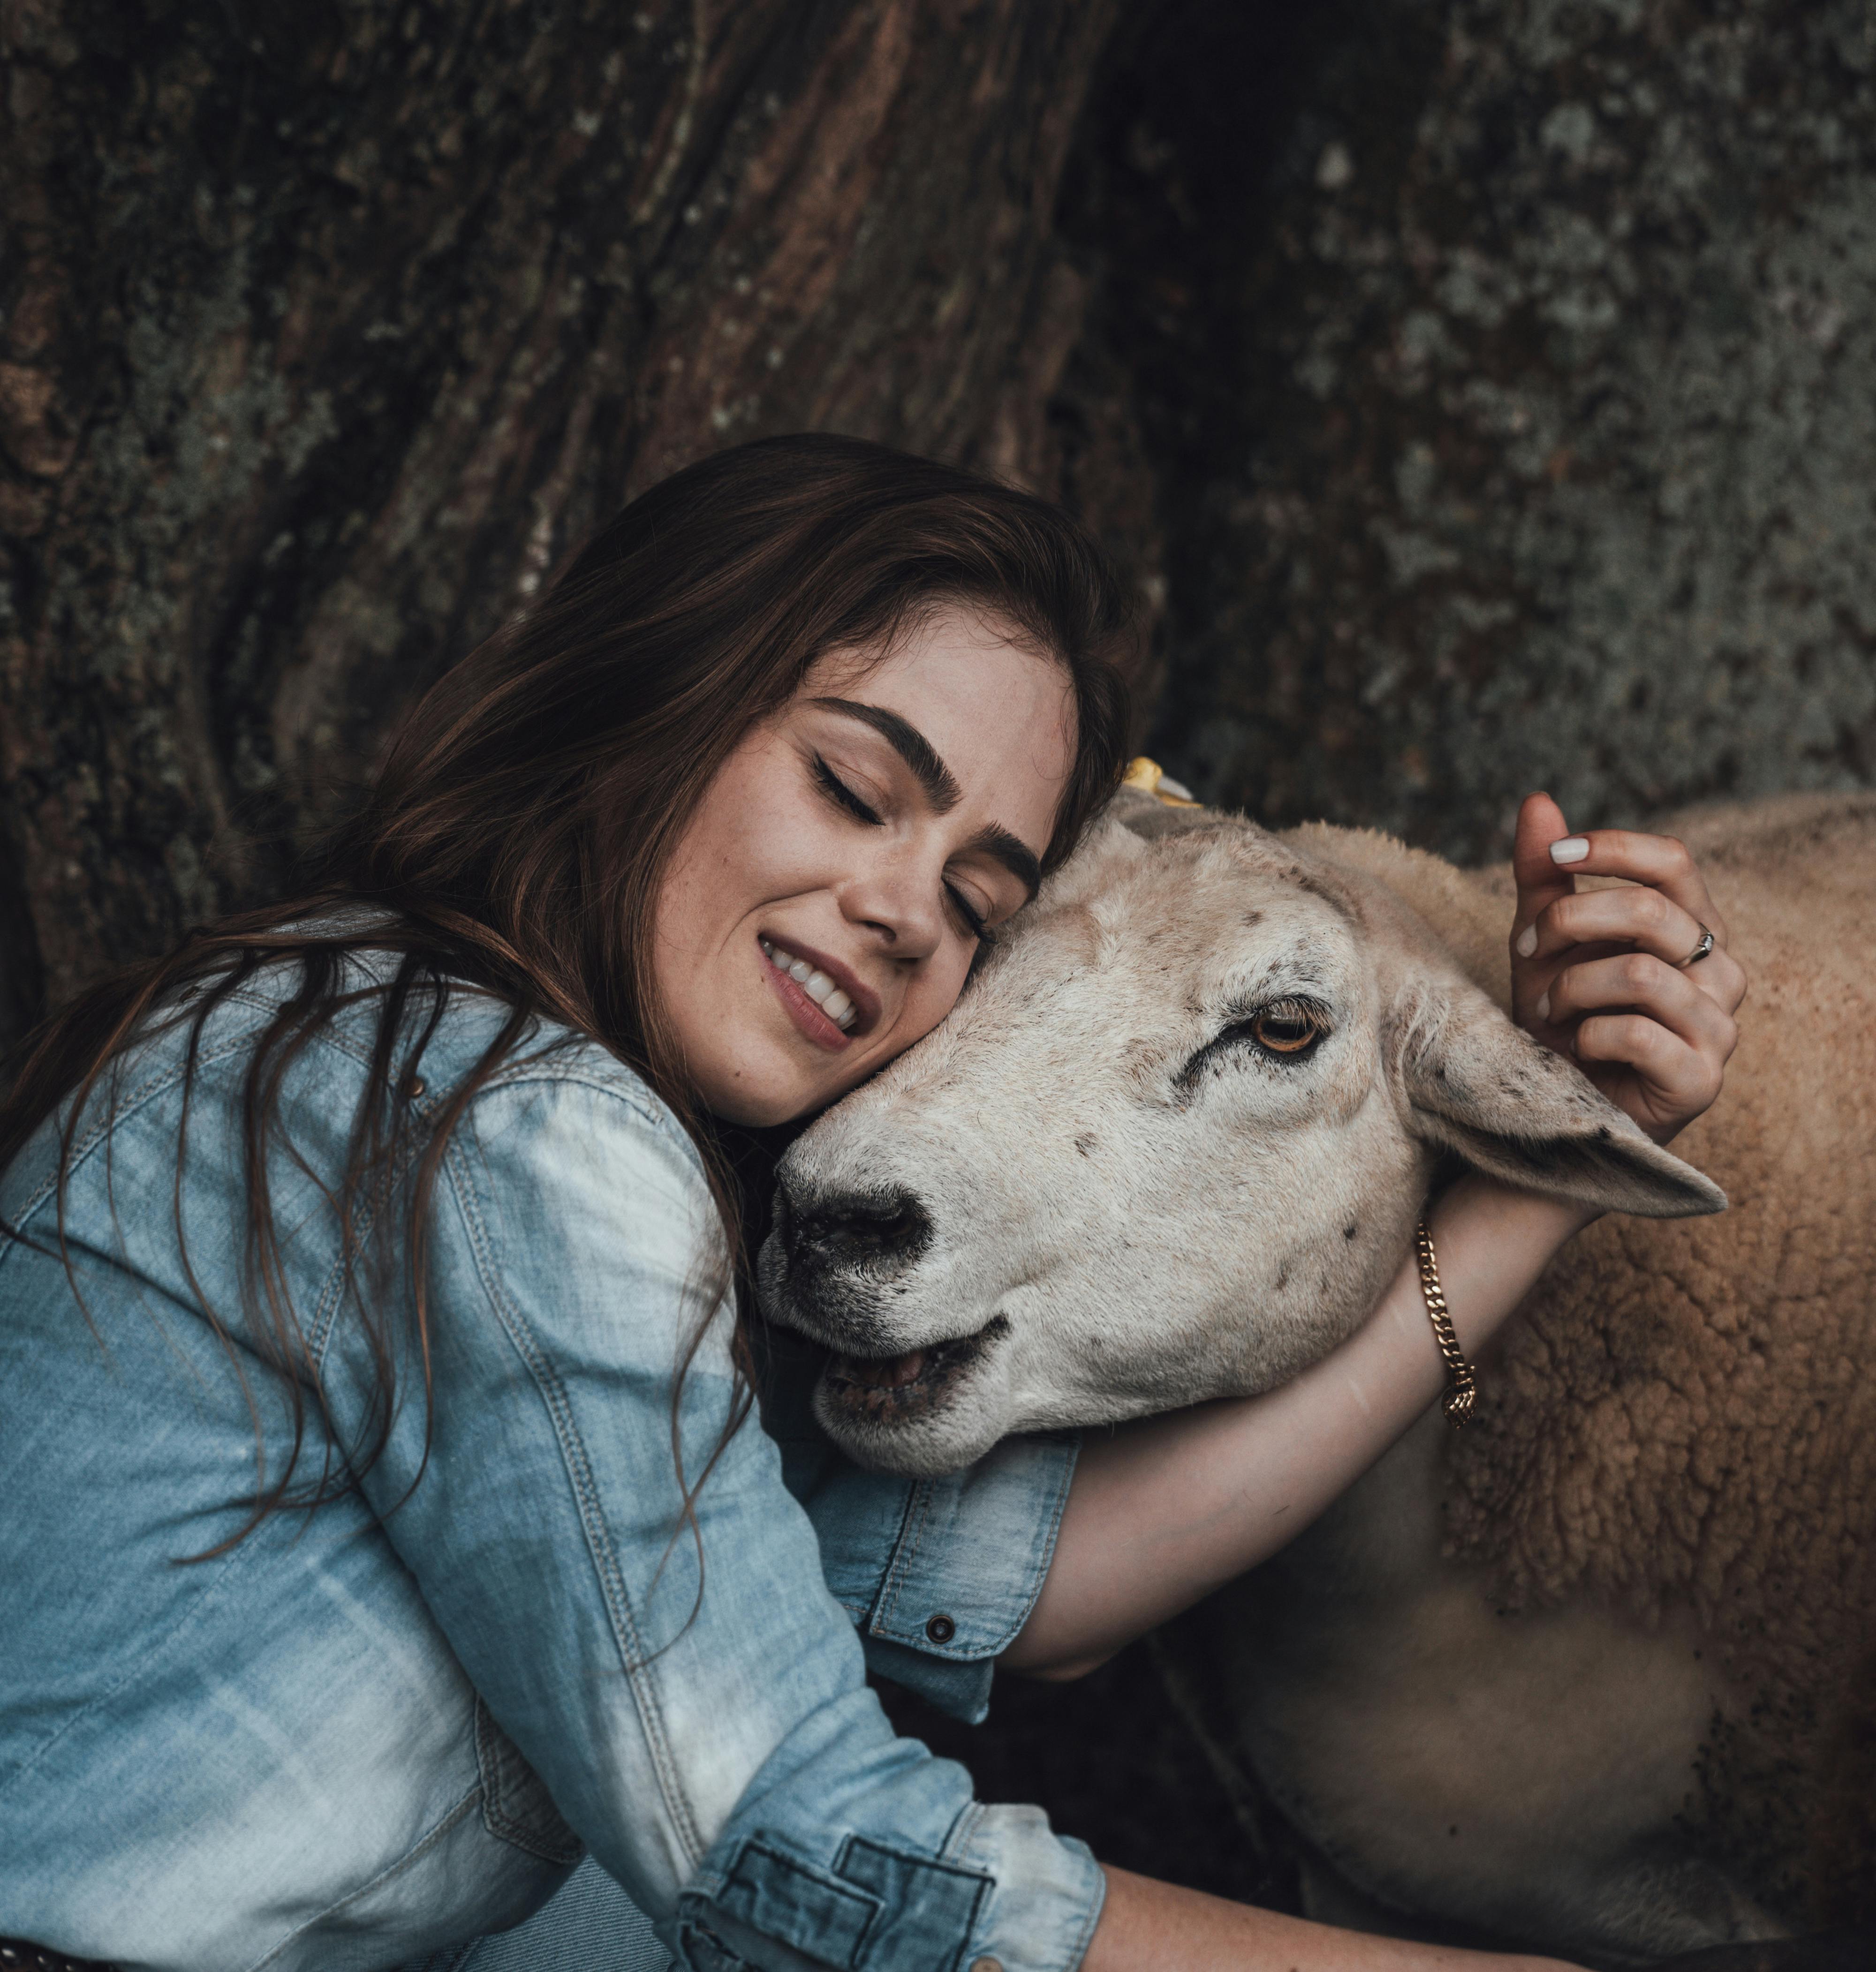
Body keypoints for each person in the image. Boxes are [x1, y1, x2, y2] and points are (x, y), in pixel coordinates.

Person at [0, 434, 1745, 1972]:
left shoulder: (409, 1053)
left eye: (984, 898)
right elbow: (807, 1862)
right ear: (653, 700)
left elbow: (1032, 1592)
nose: (908, 910)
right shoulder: (508, 1127)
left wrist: (1557, 1171)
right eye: (852, 786)